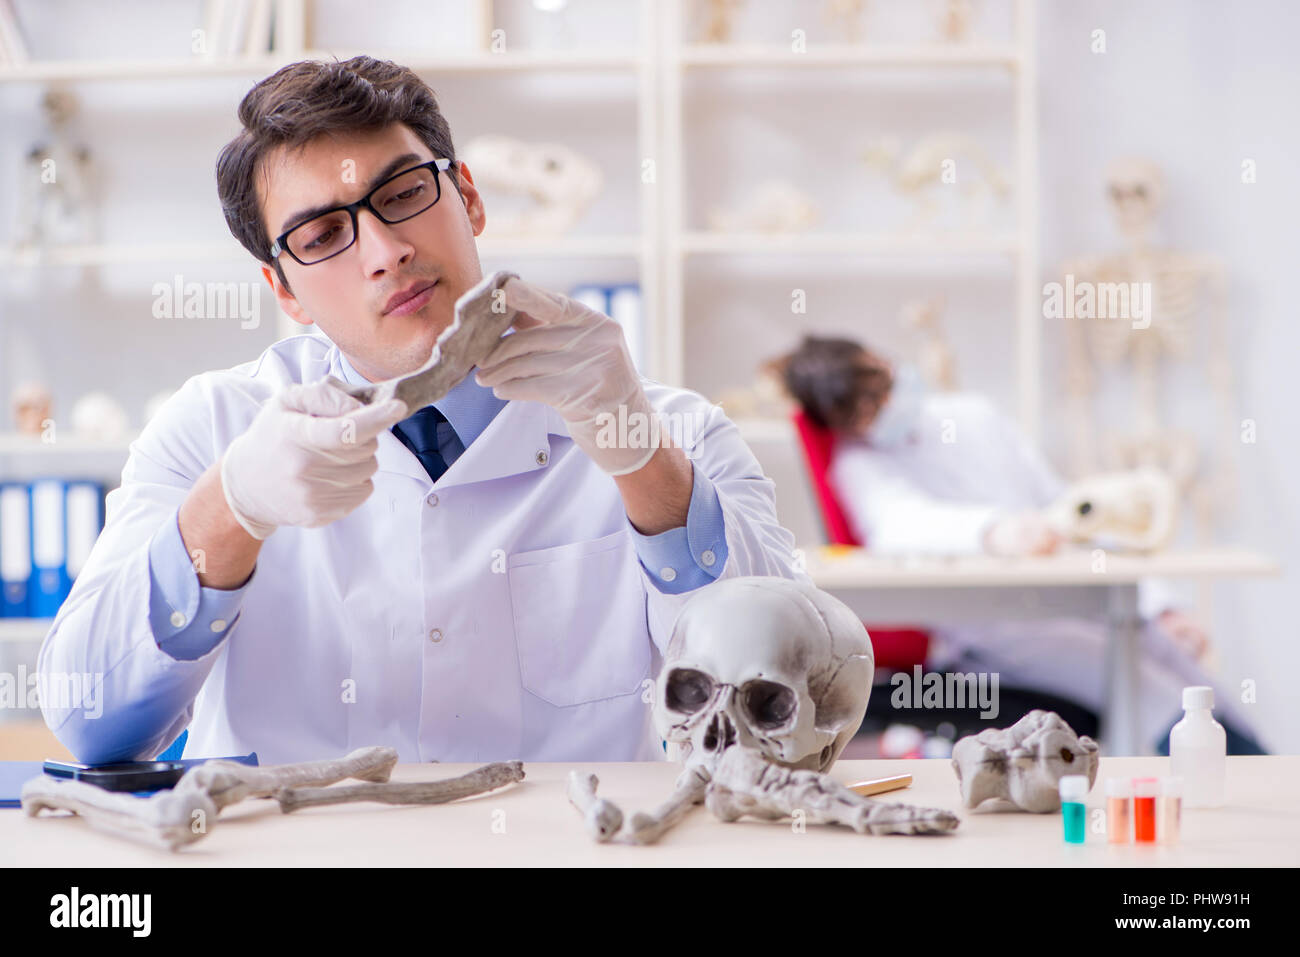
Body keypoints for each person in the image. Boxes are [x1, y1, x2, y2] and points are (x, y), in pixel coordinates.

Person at [38, 57, 805, 766]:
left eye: (404, 194)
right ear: (284, 292)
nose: (384, 250)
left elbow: (791, 711)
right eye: (323, 234)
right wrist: (229, 510)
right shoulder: (211, 429)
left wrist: (644, 462)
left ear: (467, 197)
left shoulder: (680, 431)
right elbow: (91, 721)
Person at [776, 334, 1266, 754]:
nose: (882, 409)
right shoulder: (858, 464)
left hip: (1077, 596)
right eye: (862, 410)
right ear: (837, 419)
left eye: (879, 387)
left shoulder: (973, 415)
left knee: (1185, 669)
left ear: (883, 363)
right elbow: (899, 526)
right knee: (1150, 690)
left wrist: (1161, 607)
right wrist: (994, 531)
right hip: (998, 630)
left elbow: (1064, 504)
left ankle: (1269, 786)